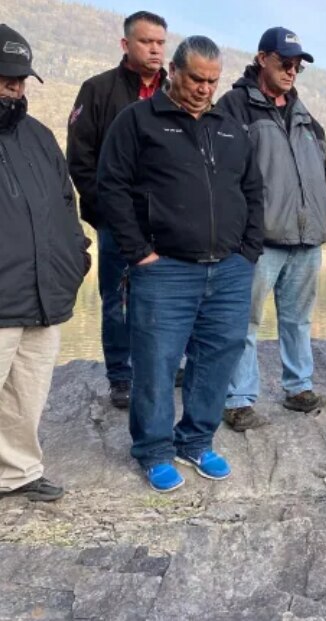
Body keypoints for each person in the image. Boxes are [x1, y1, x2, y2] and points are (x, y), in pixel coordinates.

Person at [97, 36, 264, 492]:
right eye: (196, 79)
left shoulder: (231, 128)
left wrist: (248, 251)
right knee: (155, 362)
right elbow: (110, 187)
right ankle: (153, 451)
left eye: (212, 81)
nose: (204, 89)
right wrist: (139, 252)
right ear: (174, 70)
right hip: (164, 268)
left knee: (217, 357)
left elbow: (252, 192)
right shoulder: (138, 121)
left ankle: (196, 440)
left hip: (229, 269)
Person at [218, 27, 326, 430]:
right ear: (262, 58)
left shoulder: (305, 117)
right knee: (243, 320)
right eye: (285, 62)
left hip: (307, 239)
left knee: (298, 320)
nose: (291, 71)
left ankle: (298, 388)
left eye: (297, 65)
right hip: (257, 240)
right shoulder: (234, 107)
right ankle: (237, 399)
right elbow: (221, 174)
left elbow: (323, 172)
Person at [0, 25, 90, 502]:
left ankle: (15, 472)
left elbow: (64, 200)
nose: (16, 88)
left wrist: (76, 256)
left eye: (21, 79)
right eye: (6, 78)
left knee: (26, 394)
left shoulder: (37, 135)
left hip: (43, 291)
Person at [67, 11, 168, 410]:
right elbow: (80, 158)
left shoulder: (176, 91)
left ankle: (164, 365)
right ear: (126, 45)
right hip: (116, 220)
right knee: (116, 301)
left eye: (161, 42)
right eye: (147, 42)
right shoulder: (97, 90)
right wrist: (108, 213)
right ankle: (121, 376)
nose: (156, 49)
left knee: (166, 298)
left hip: (167, 221)